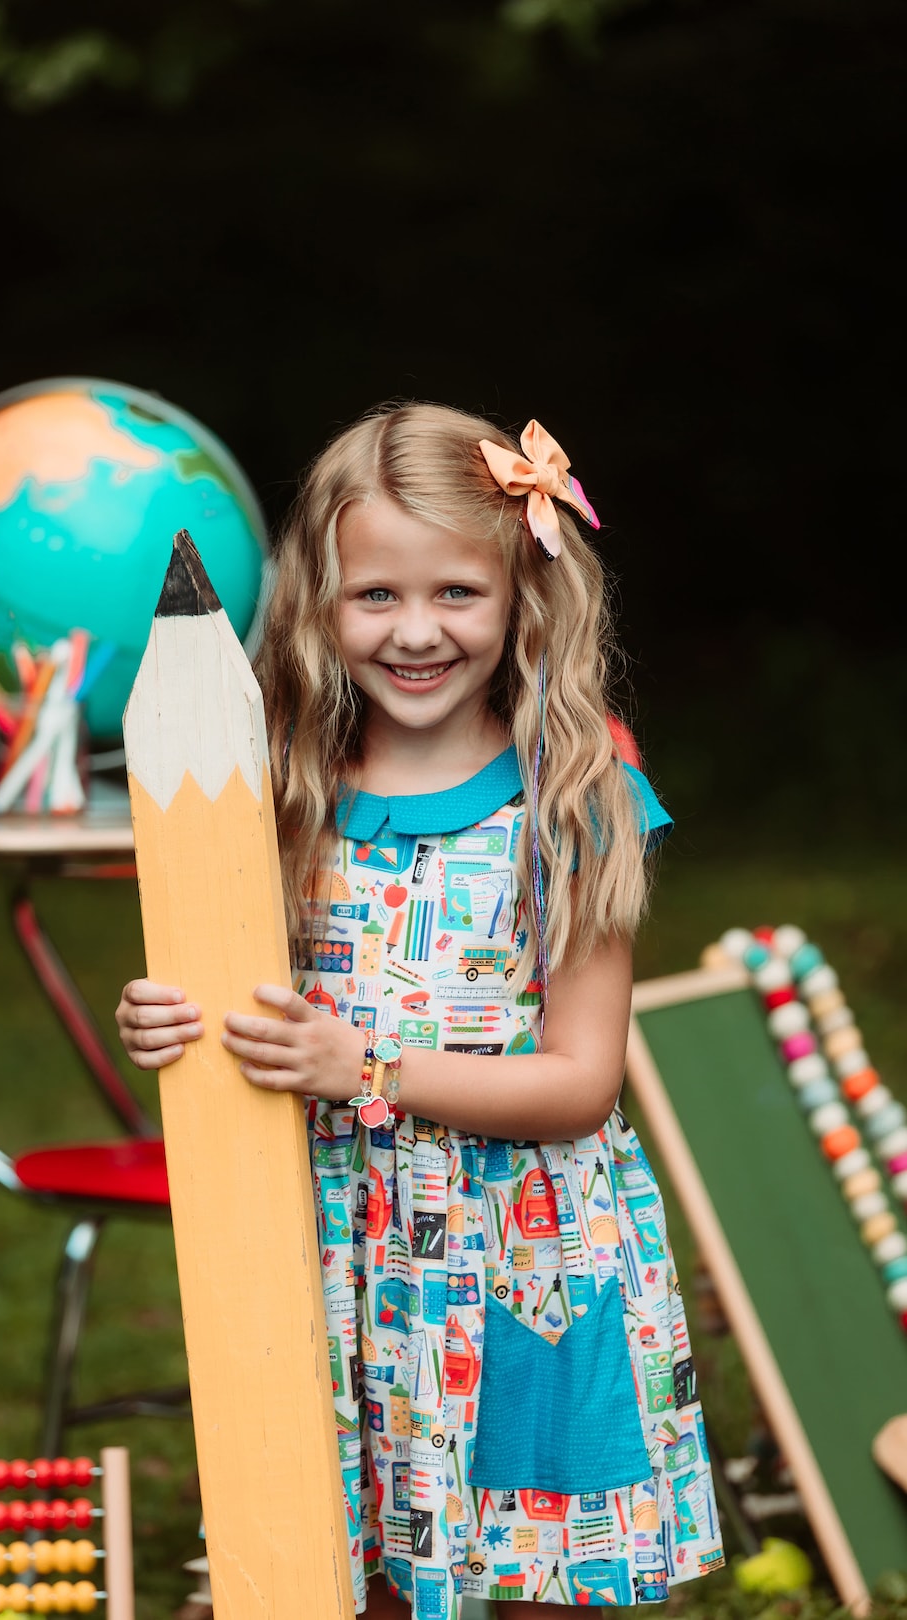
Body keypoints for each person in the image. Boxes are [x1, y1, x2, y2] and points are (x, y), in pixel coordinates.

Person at [116, 403, 724, 1617]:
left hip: (530, 1251)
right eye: (374, 596)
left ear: (521, 595)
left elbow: (580, 1082)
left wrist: (369, 1068)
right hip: (339, 1252)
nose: (415, 631)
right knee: (361, 1557)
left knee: (546, 1563)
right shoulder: (275, 788)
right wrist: (172, 1021)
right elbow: (256, 1011)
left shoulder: (578, 800)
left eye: (456, 592)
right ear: (319, 603)